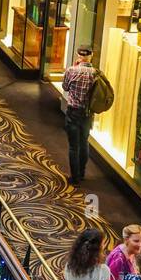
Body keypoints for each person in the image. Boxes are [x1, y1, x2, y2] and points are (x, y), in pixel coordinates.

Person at [61, 46, 98, 185]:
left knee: (73, 146)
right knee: (84, 143)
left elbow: (65, 87)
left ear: (78, 55)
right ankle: (82, 173)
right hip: (87, 113)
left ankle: (74, 178)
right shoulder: (95, 73)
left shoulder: (72, 70)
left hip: (73, 112)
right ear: (91, 56)